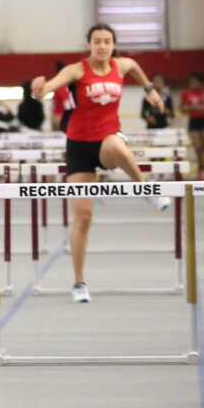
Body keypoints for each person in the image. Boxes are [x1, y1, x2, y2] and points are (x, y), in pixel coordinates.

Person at [31, 23, 170, 303]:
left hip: (107, 139)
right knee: (83, 218)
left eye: (107, 41)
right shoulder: (76, 70)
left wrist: (149, 90)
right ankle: (79, 283)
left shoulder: (122, 64)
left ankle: (145, 189)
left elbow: (136, 69)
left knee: (117, 146)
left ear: (114, 44)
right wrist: (37, 91)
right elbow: (47, 89)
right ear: (89, 44)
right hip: (79, 147)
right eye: (97, 41)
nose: (102, 46)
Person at [179, 72, 204, 179]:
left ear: (200, 83)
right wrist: (194, 108)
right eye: (191, 82)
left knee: (203, 148)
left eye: (195, 82)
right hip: (193, 121)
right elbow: (182, 108)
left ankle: (202, 171)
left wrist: (195, 107)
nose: (192, 84)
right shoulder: (186, 93)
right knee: (197, 147)